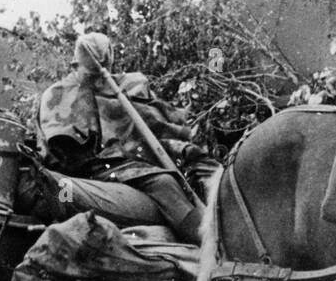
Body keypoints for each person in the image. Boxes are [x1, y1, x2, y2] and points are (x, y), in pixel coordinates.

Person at [31, 32, 208, 244]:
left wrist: (181, 147)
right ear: (75, 65)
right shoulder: (57, 94)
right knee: (164, 183)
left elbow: (148, 132)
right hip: (92, 171)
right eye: (91, 73)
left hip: (129, 163)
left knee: (192, 175)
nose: (97, 79)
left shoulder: (121, 88)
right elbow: (64, 153)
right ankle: (207, 244)